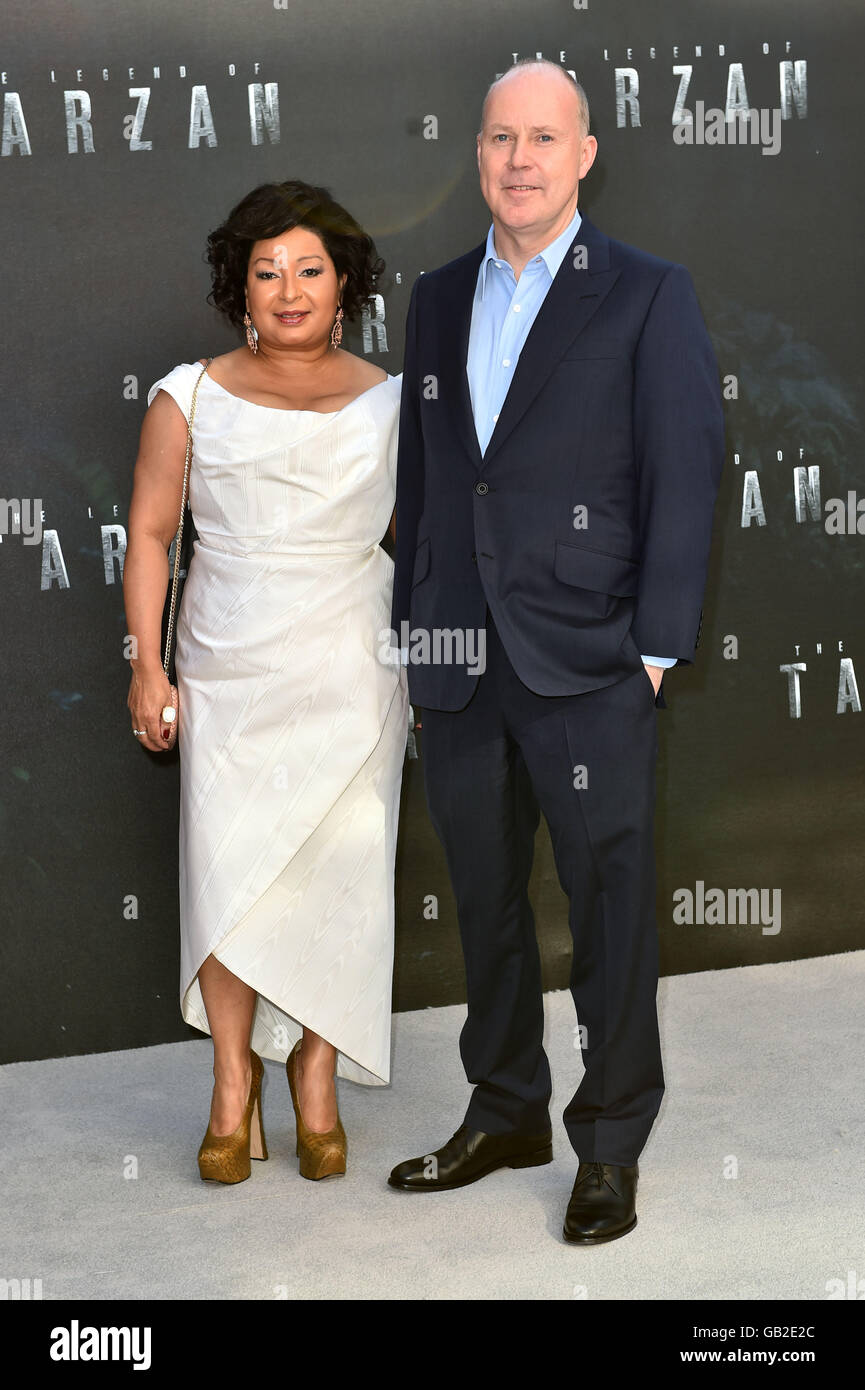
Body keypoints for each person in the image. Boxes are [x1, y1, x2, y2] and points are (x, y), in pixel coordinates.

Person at [387, 60, 724, 1242]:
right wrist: (420, 636)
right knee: (483, 902)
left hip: (591, 661)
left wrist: (654, 651)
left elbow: (685, 476)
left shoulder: (643, 292)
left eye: (543, 138)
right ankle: (506, 1108)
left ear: (585, 154)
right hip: (462, 662)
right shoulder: (432, 297)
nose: (518, 160)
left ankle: (611, 1140)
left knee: (608, 910)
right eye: (498, 138)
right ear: (474, 154)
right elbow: (426, 482)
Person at [123, 180, 409, 1184]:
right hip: (226, 666)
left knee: (343, 875)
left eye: (310, 269)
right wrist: (148, 664)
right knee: (229, 876)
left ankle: (317, 1076)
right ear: (239, 286)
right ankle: (232, 1082)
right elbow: (153, 536)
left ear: (345, 284)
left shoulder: (390, 402)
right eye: (266, 270)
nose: (289, 290)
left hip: (352, 669)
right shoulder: (186, 394)